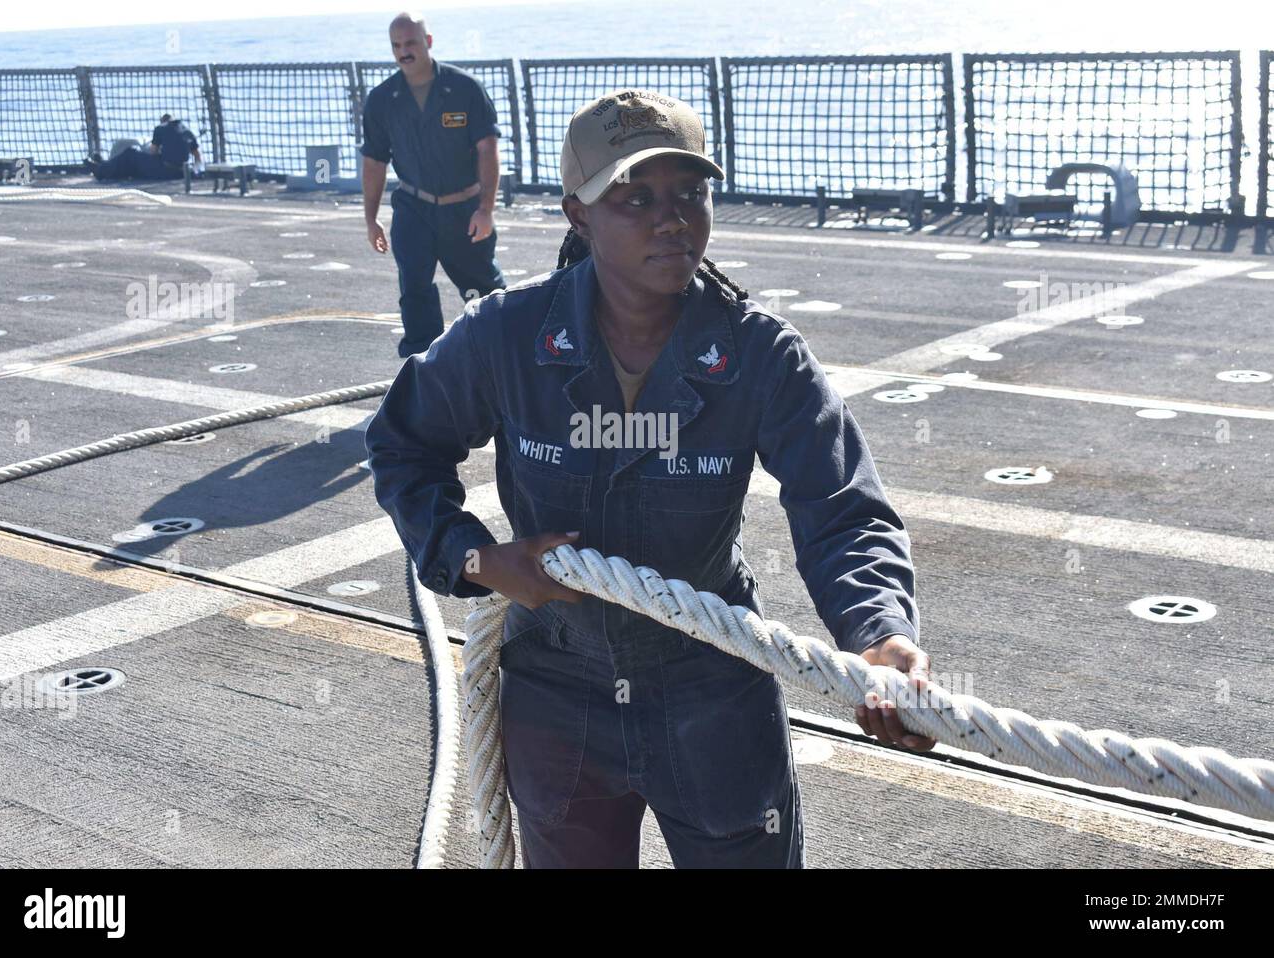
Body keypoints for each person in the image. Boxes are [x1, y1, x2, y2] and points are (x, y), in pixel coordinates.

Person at [365, 88, 932, 869]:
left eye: (689, 194)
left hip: (713, 691)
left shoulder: (761, 354)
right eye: (634, 198)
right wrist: (476, 559)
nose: (671, 219)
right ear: (578, 215)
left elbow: (841, 511)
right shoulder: (505, 336)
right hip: (556, 697)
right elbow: (402, 445)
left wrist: (879, 633)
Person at [361, 11, 506, 358]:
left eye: (410, 42)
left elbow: (488, 150)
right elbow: (374, 162)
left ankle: (505, 357)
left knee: (483, 292)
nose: (403, 51)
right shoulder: (382, 100)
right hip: (414, 209)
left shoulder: (464, 89)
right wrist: (370, 218)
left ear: (428, 42)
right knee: (414, 292)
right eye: (396, 45)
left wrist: (486, 210)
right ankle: (422, 372)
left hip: (464, 209)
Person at [84, 114, 201, 181]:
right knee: (137, 163)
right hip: (180, 172)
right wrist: (195, 172)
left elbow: (153, 152)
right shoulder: (187, 131)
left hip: (165, 171)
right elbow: (197, 157)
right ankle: (105, 165)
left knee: (130, 154)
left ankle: (100, 170)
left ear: (163, 121)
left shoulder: (161, 128)